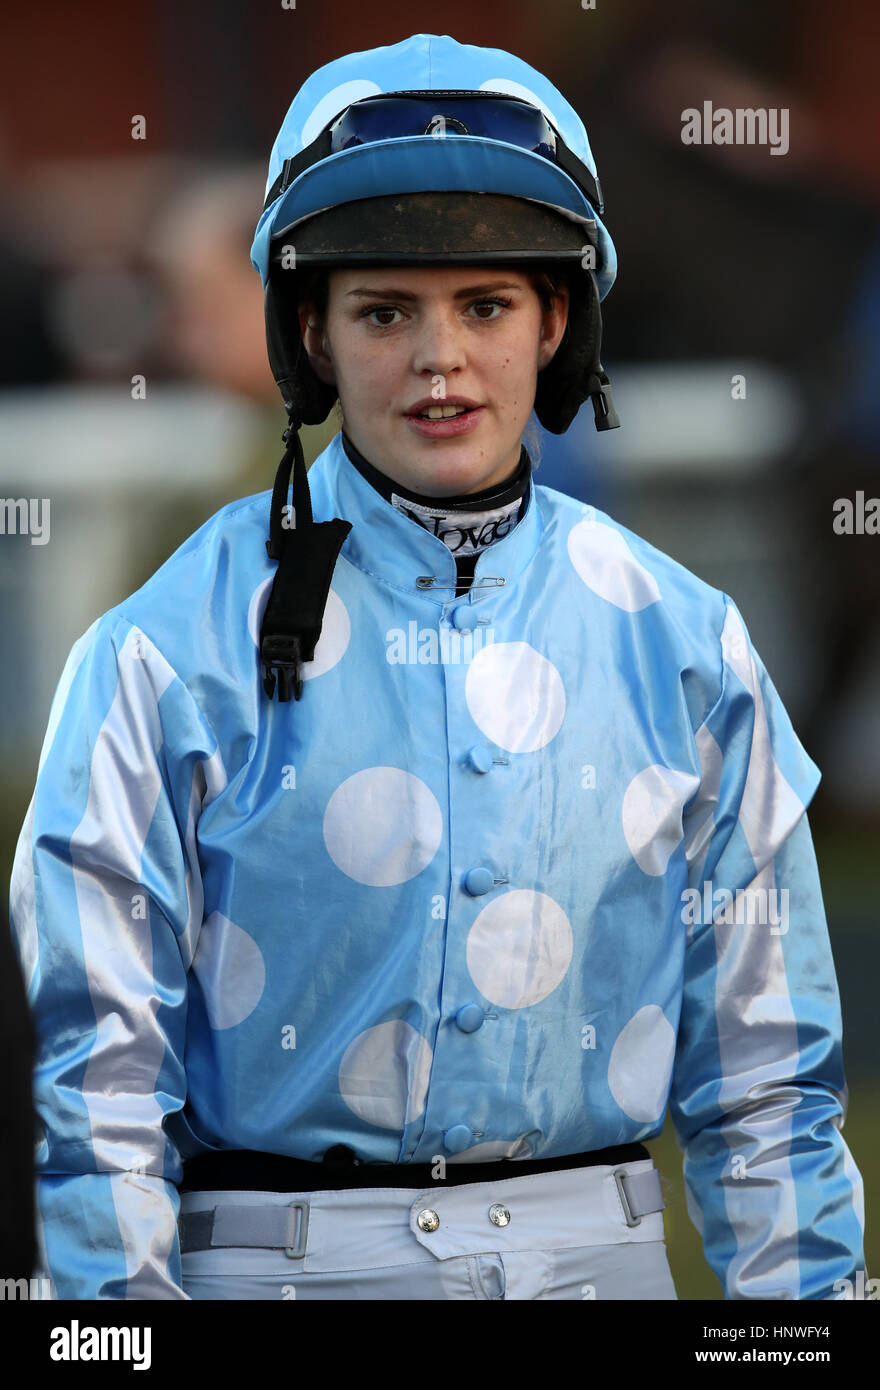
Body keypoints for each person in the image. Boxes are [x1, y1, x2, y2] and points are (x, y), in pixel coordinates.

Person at [8, 33, 866, 1302]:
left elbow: (769, 1078)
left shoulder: (687, 645)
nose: (439, 358)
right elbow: (89, 1073)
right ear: (310, 331)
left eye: (484, 305)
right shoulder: (161, 650)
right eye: (383, 309)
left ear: (556, 320)